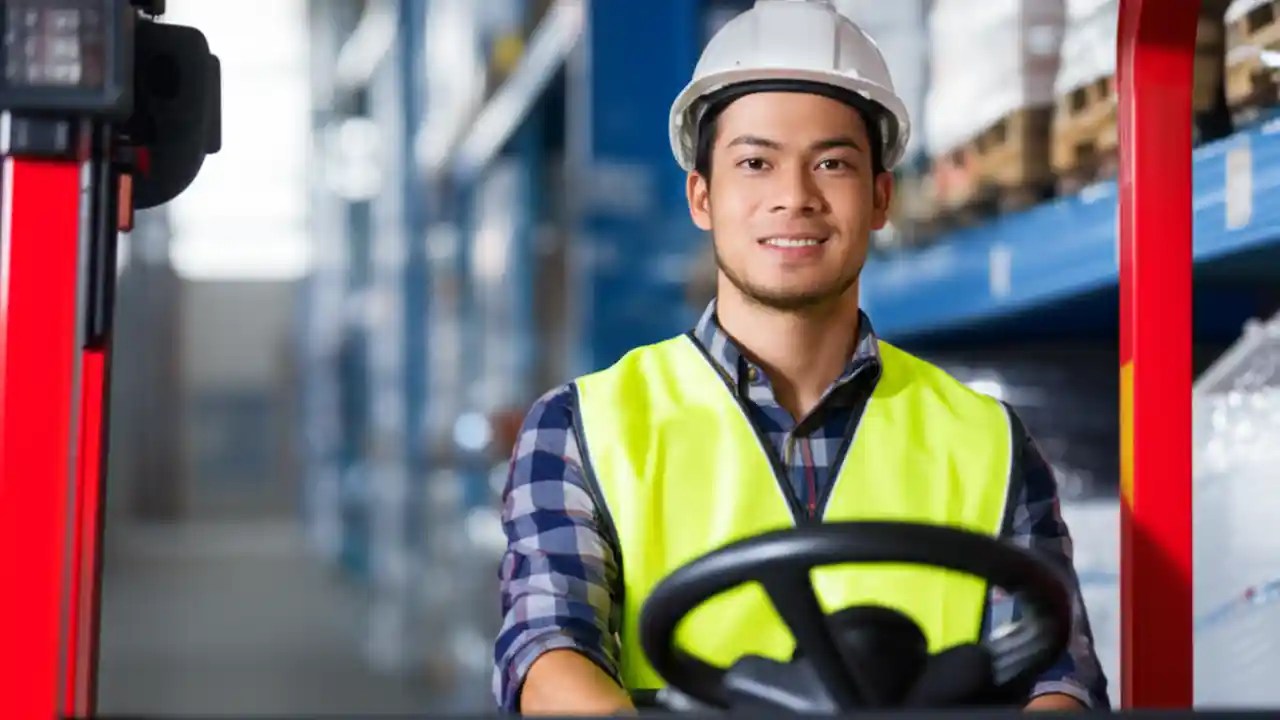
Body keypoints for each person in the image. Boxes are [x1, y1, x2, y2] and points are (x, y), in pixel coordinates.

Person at [494, 0, 1109, 714]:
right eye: (755, 163)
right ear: (703, 196)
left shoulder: (990, 443)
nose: (794, 197)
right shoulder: (581, 429)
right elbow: (547, 653)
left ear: (880, 197)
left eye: (833, 164)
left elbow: (1058, 681)